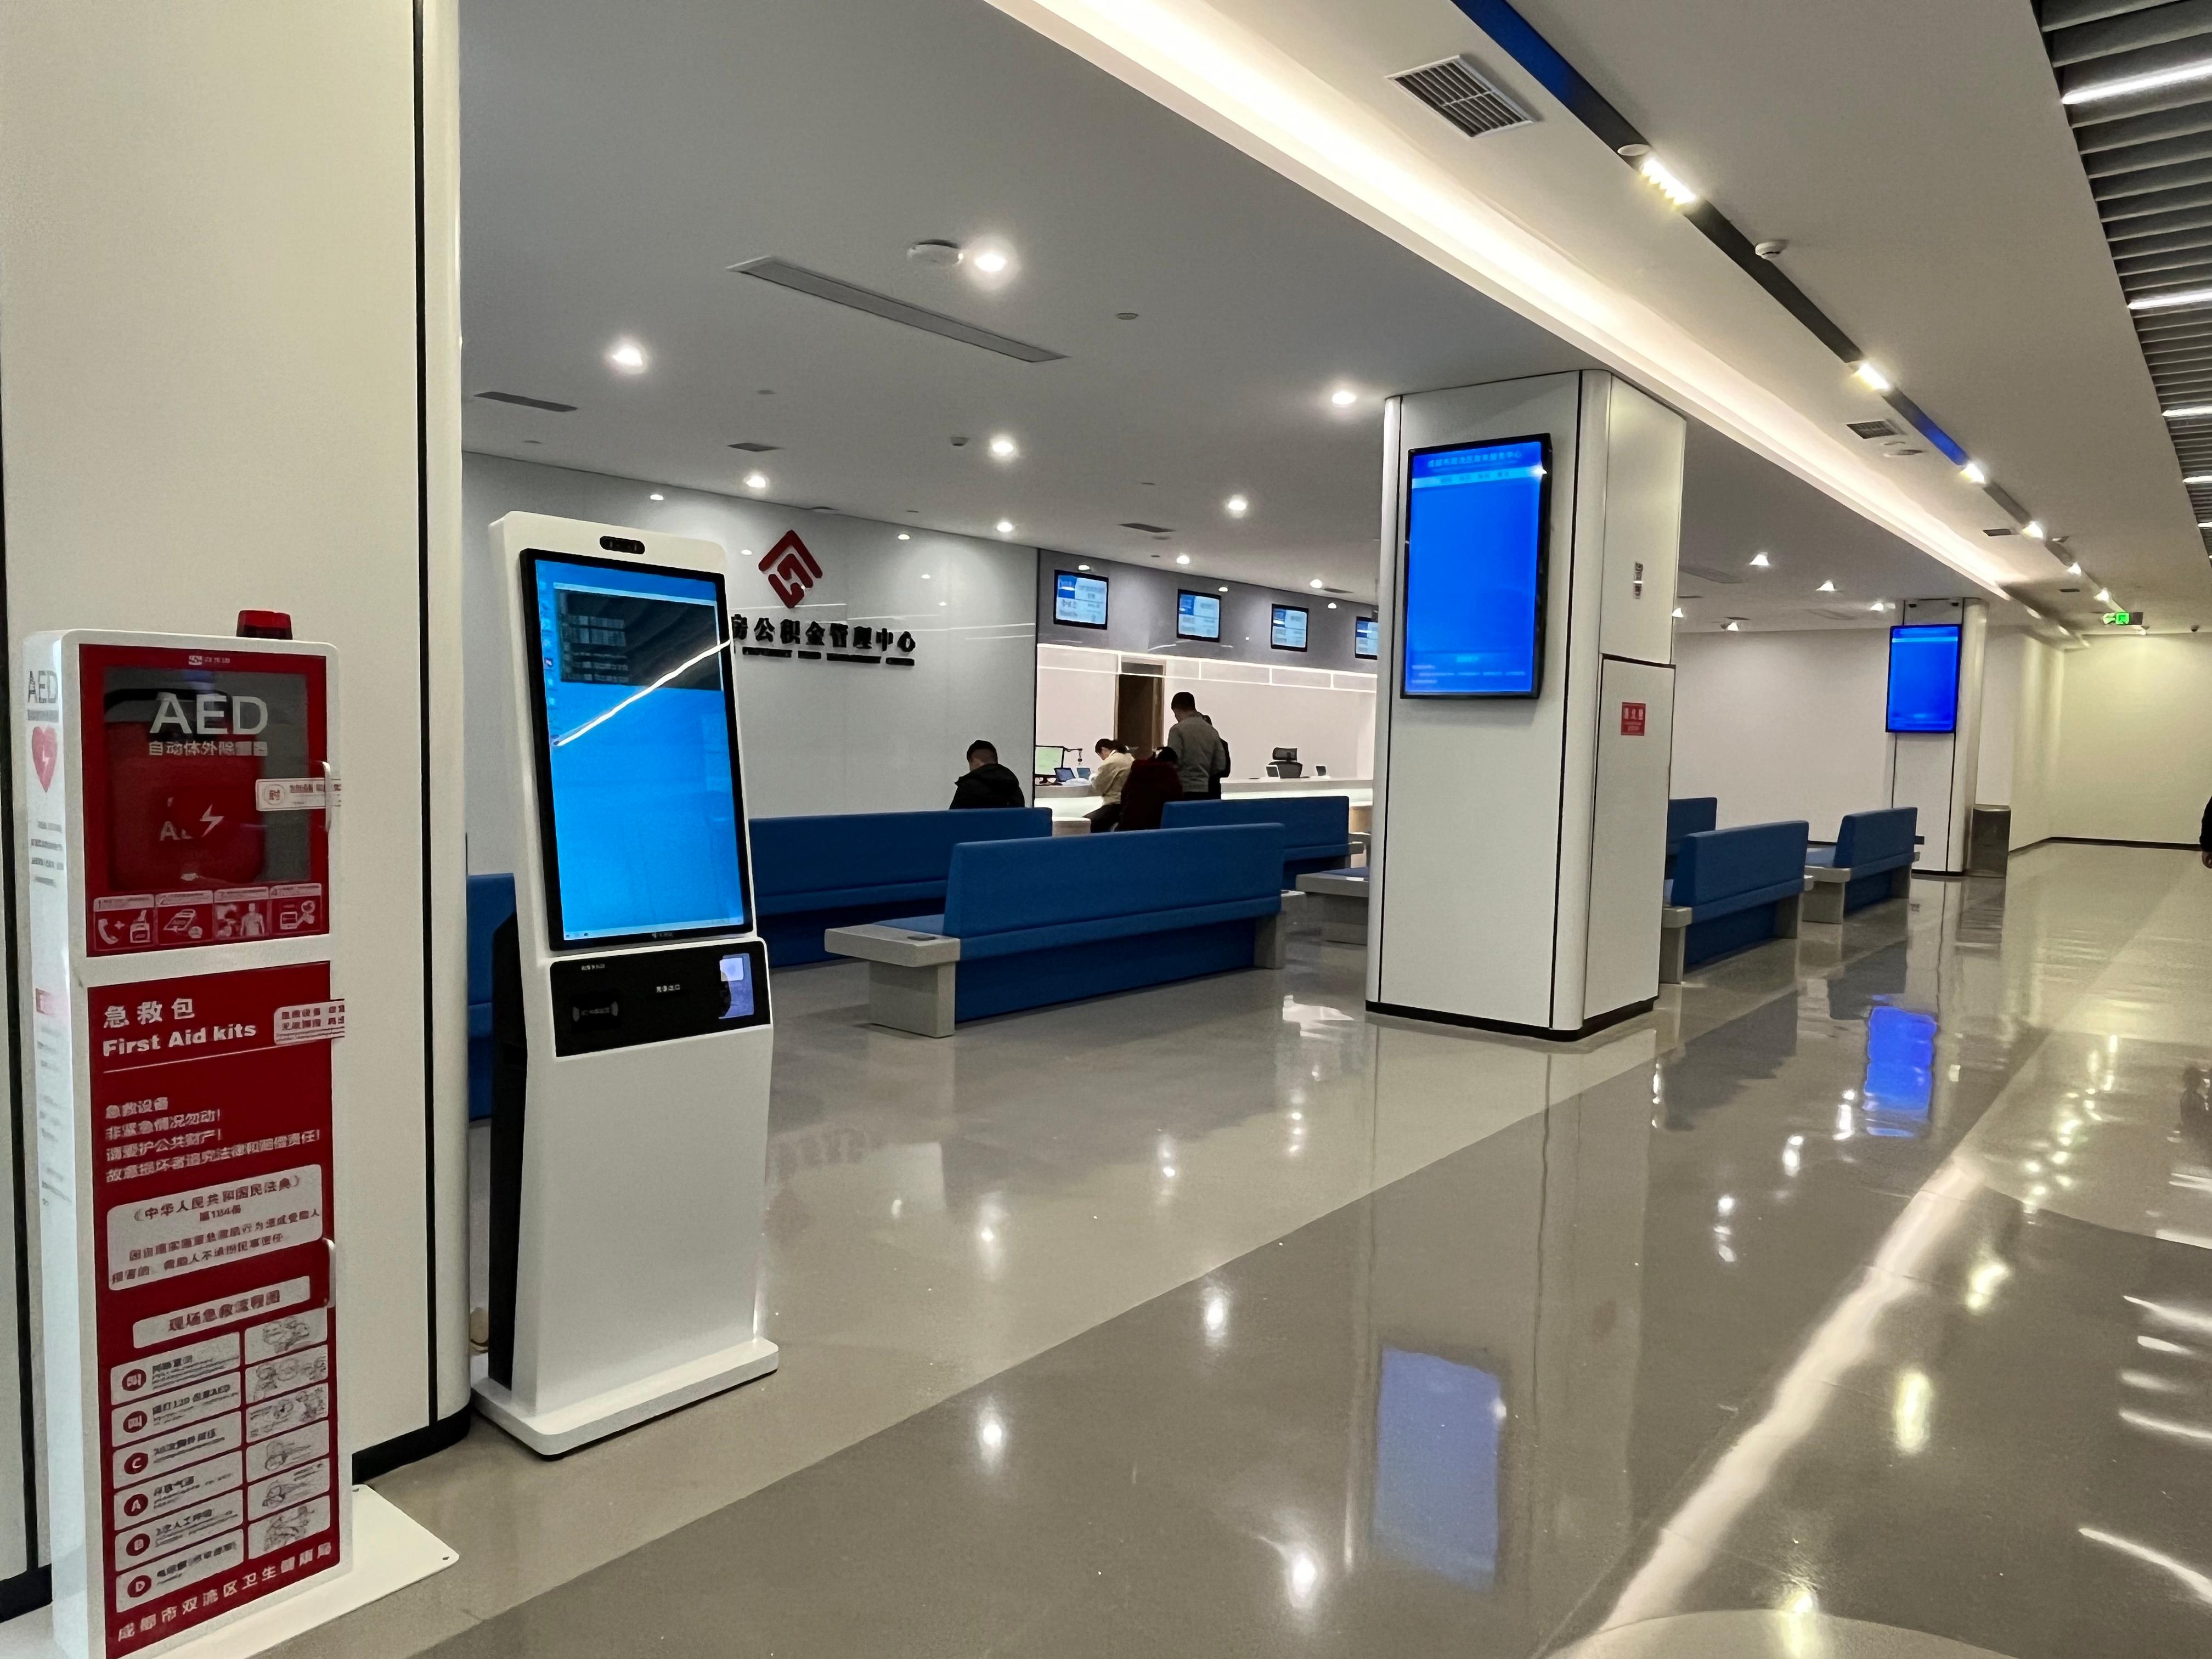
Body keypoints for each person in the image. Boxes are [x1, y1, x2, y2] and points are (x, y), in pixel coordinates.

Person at [1165, 692, 1228, 799]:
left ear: (1177, 709)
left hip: (1183, 790)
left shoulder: (1177, 730)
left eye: (1175, 714)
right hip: (1207, 791)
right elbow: (1220, 765)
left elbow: (1173, 762)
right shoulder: (1212, 731)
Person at [1115, 741, 1183, 831]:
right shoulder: (1169, 775)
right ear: (1172, 763)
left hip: (1129, 824)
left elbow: (1124, 794)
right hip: (1156, 826)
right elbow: (1176, 800)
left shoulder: (1137, 771)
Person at [950, 740, 1025, 810]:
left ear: (973, 762)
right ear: (995, 761)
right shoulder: (1014, 788)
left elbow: (953, 818)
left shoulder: (968, 788)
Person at [1086, 738, 1132, 832]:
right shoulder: (1129, 757)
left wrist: (1092, 777)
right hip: (1128, 804)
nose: (1103, 759)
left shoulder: (1111, 762)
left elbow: (1099, 787)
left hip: (1115, 805)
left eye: (1100, 756)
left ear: (1103, 750)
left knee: (1086, 823)